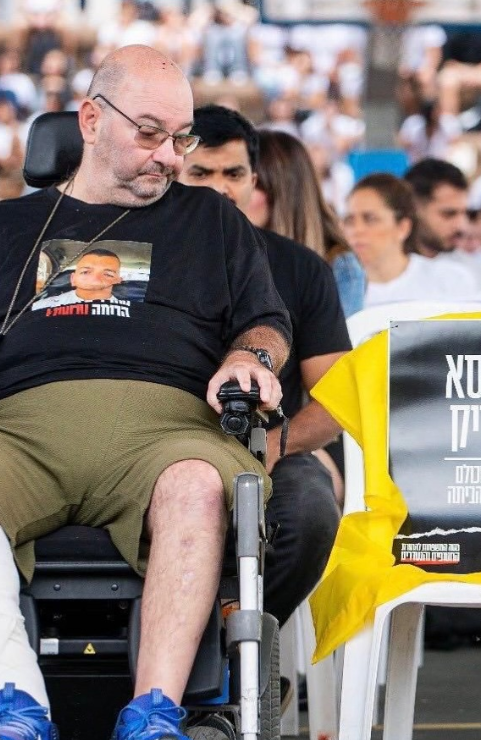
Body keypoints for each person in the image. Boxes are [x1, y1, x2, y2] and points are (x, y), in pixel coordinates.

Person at [0, 45, 292, 740]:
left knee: (199, 484)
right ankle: (14, 709)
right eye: (151, 133)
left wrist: (249, 357)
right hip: (17, 430)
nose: (170, 156)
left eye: (180, 137)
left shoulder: (212, 223)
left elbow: (267, 322)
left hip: (168, 430)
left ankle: (155, 714)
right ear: (92, 119)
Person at [178, 104, 345, 630]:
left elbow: (340, 399)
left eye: (233, 174)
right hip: (159, 444)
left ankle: (237, 656)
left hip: (268, 446)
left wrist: (280, 443)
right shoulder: (143, 263)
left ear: (255, 180)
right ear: (173, 173)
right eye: (201, 173)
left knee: (309, 517)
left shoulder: (302, 269)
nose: (220, 188)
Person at [248, 128, 366, 318]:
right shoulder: (230, 255)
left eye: (252, 184)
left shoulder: (340, 266)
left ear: (282, 191)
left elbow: (342, 346)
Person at [343, 172, 476, 307]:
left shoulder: (451, 281)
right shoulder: (335, 289)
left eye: (370, 219)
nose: (356, 230)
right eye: (349, 221)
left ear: (403, 227)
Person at [403, 157, 480, 291]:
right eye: (449, 214)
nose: (461, 226)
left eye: (464, 213)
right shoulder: (377, 275)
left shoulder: (473, 273)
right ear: (414, 208)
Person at [32, 249, 124, 309]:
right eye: (85, 272)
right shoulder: (42, 307)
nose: (95, 280)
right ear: (73, 279)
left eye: (108, 274)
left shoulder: (130, 313)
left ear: (118, 281)